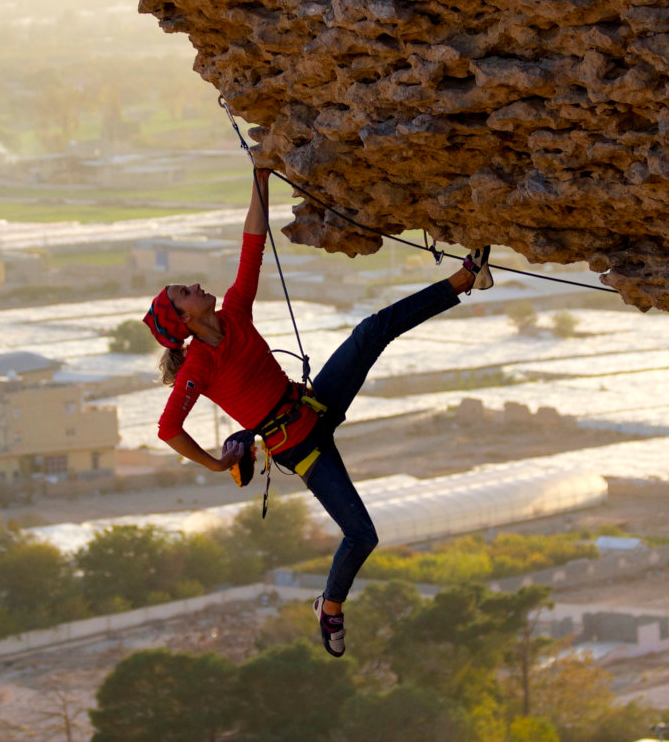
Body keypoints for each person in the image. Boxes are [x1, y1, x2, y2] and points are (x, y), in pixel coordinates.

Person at [144, 167, 493, 657]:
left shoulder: (234, 312)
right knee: (362, 534)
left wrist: (260, 175)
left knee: (371, 332)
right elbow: (168, 429)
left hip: (313, 405)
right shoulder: (199, 364)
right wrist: (216, 463)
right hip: (301, 447)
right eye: (185, 292)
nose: (197, 286)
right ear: (184, 319)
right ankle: (329, 607)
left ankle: (464, 279)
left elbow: (253, 241)